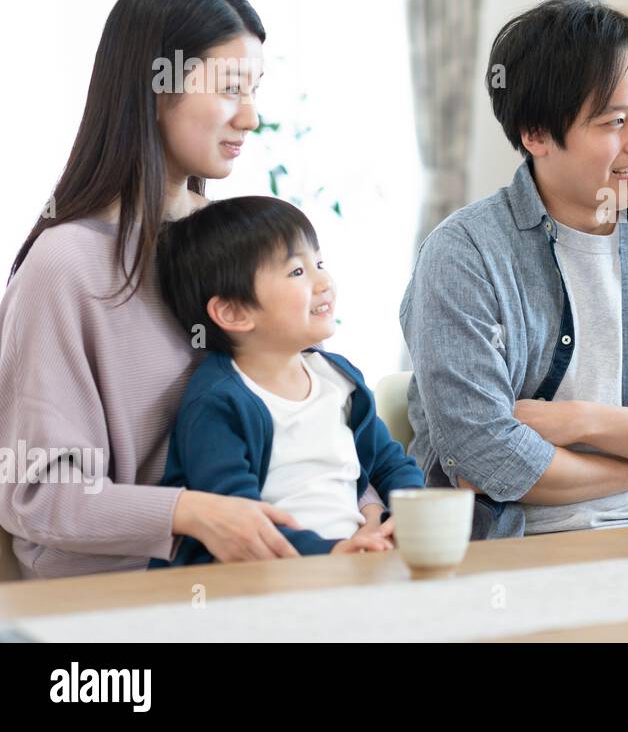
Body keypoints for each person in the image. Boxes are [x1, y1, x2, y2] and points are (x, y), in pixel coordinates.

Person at [0, 0, 388, 577]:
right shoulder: (65, 266)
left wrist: (363, 507)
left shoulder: (240, 247)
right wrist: (193, 513)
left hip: (274, 572)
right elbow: (37, 494)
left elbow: (316, 417)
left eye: (255, 90)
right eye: (231, 89)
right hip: (123, 596)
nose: (252, 118)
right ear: (156, 88)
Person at [400, 0, 628, 538]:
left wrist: (579, 421)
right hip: (511, 558)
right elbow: (484, 455)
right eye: (615, 121)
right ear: (536, 134)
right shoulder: (463, 255)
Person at [149, 196, 423, 566]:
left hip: (349, 564)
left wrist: (404, 516)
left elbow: (390, 463)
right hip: (260, 577)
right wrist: (329, 552)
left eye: (320, 263)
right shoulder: (219, 402)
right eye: (297, 272)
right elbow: (240, 521)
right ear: (234, 311)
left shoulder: (338, 379)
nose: (324, 281)